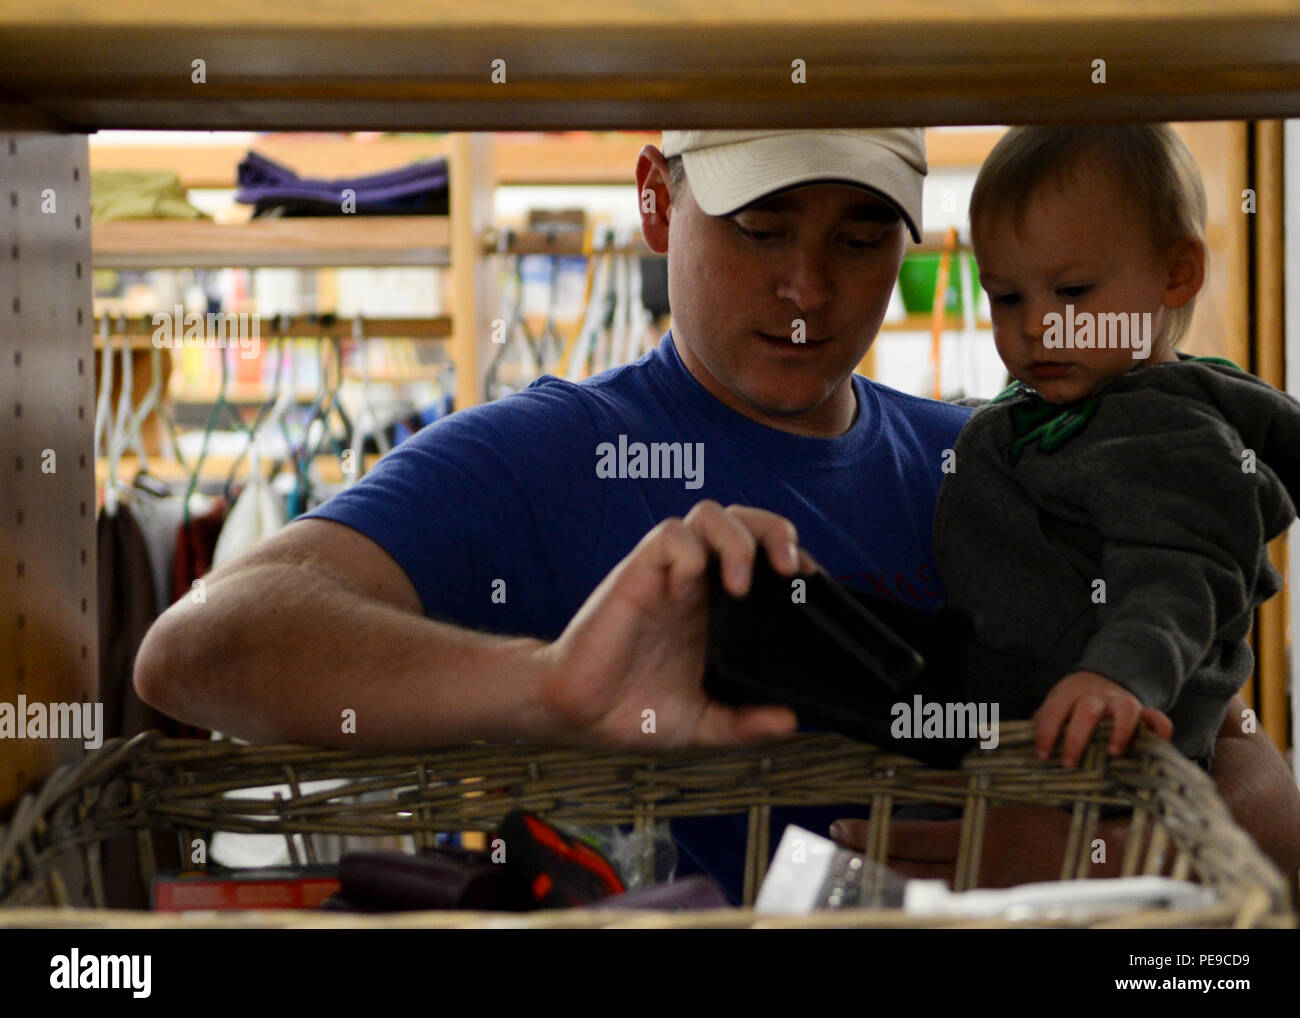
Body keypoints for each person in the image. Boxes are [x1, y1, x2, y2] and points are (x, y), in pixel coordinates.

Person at [135, 129, 1300, 902]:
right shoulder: (540, 455)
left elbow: (1223, 736)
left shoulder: (999, 462)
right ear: (656, 200)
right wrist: (547, 686)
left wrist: (1107, 851)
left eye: (858, 235)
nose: (807, 285)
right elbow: (195, 647)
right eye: (760, 227)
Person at [931, 124, 1300, 777]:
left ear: (1176, 274)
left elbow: (1176, 574)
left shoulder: (1166, 432)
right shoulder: (1056, 406)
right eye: (1006, 297)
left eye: (1072, 292)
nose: (1035, 325)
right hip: (1023, 742)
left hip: (1110, 744)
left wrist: (1119, 678)